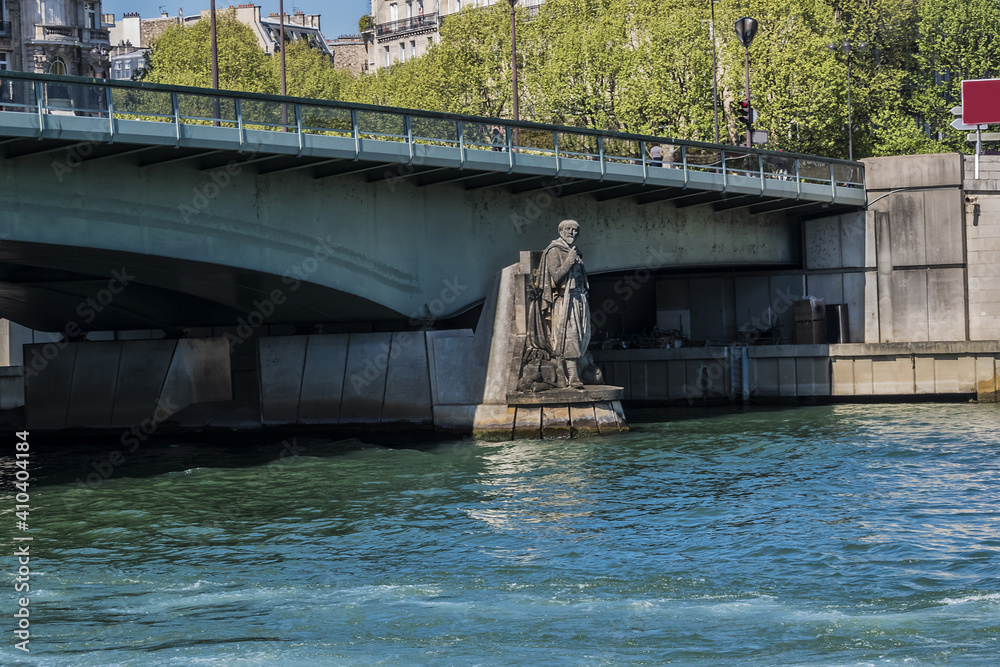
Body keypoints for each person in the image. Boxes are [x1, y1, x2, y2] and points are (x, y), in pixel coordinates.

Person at [538, 220, 591, 388]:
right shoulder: (554, 250)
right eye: (568, 229)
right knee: (570, 336)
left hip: (578, 299)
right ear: (560, 230)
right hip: (564, 301)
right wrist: (569, 260)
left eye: (575, 230)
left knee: (581, 335)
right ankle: (572, 376)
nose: (572, 233)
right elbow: (556, 276)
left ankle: (573, 373)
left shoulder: (576, 252)